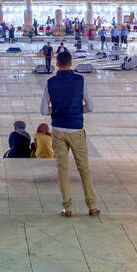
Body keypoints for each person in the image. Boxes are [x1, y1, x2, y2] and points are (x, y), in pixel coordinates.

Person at [39, 49, 99, 216]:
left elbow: (44, 110)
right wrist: (77, 110)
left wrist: (57, 110)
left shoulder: (50, 83)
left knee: (62, 169)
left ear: (57, 64)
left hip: (58, 129)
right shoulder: (81, 80)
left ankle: (67, 207)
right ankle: (92, 206)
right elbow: (90, 106)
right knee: (84, 168)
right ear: (71, 63)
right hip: (76, 129)